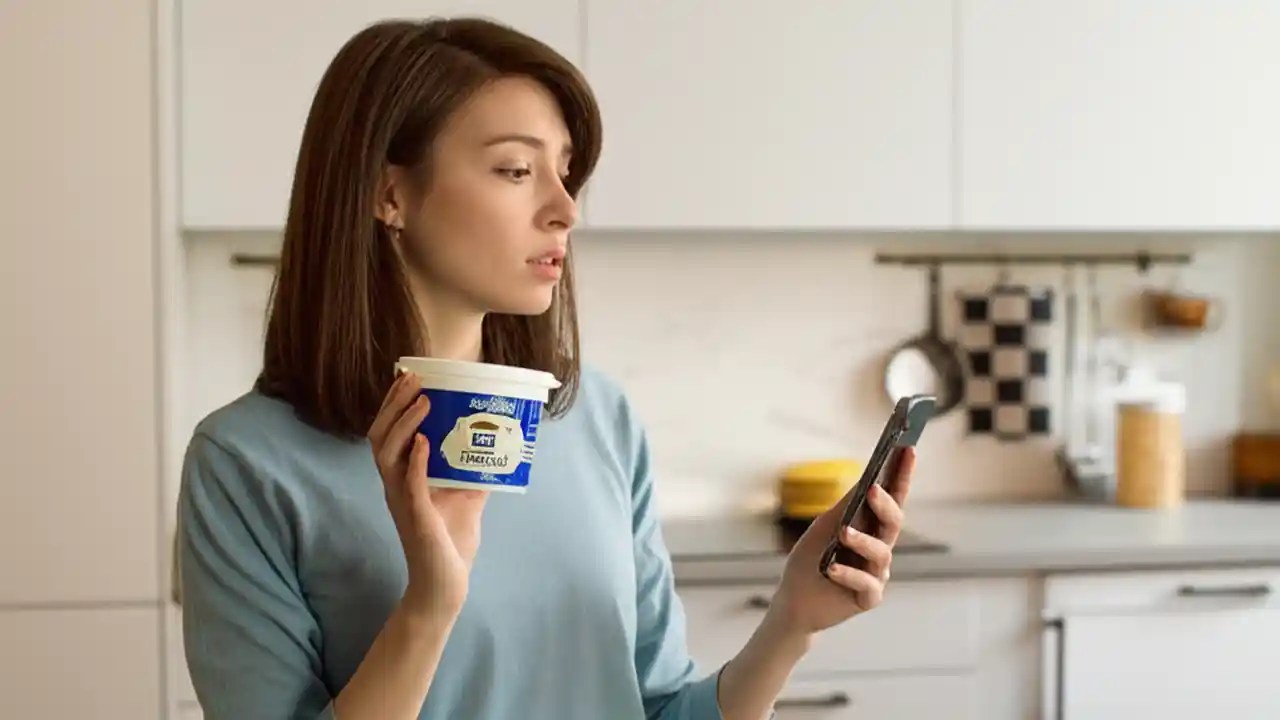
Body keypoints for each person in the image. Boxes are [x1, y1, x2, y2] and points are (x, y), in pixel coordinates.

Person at [175, 16, 916, 720]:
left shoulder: (598, 420)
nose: (565, 209)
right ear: (388, 192)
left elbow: (657, 707)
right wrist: (432, 602)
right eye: (515, 168)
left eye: (565, 172)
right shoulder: (248, 465)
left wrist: (790, 621)